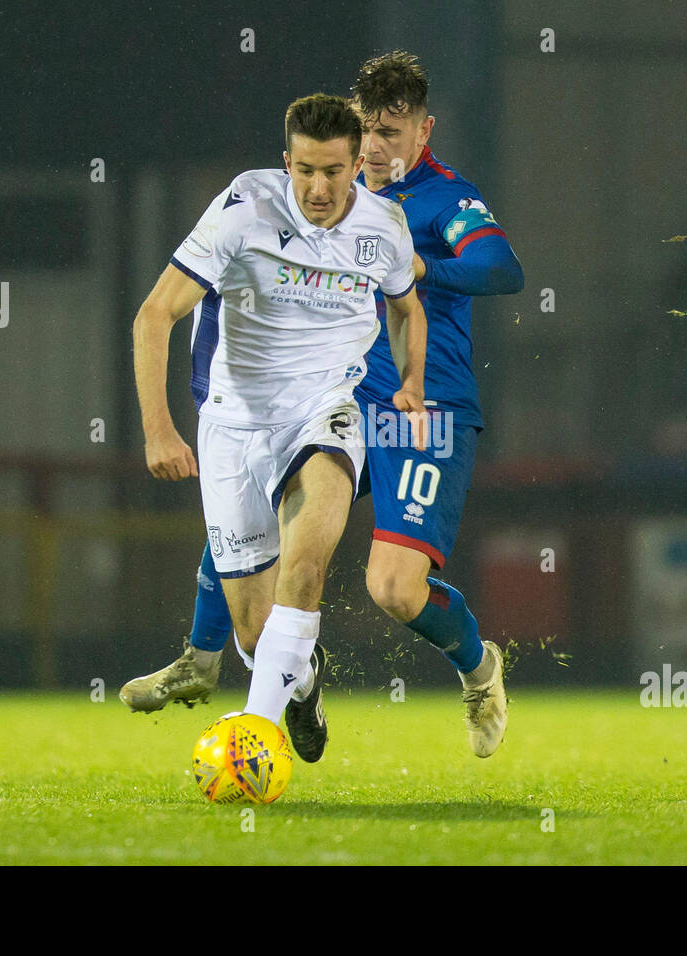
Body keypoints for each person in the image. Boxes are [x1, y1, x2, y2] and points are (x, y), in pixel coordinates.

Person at [124, 51, 522, 759]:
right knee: (257, 526)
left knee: (394, 589)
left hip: (419, 410)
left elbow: (500, 268)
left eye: (391, 133)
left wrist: (425, 274)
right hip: (334, 399)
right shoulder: (292, 198)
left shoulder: (438, 202)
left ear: (424, 133)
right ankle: (219, 657)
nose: (374, 147)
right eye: (366, 130)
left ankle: (478, 667)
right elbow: (186, 301)